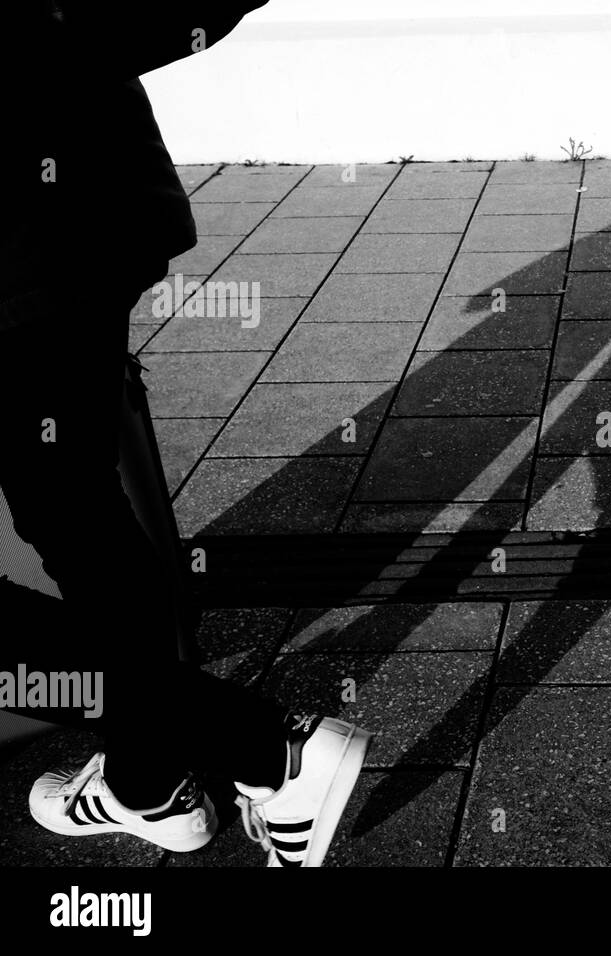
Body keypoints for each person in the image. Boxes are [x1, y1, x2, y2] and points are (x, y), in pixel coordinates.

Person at [1, 1, 372, 868]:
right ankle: (151, 781)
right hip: (70, 217)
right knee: (78, 519)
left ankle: (264, 748)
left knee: (74, 517)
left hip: (32, 237)